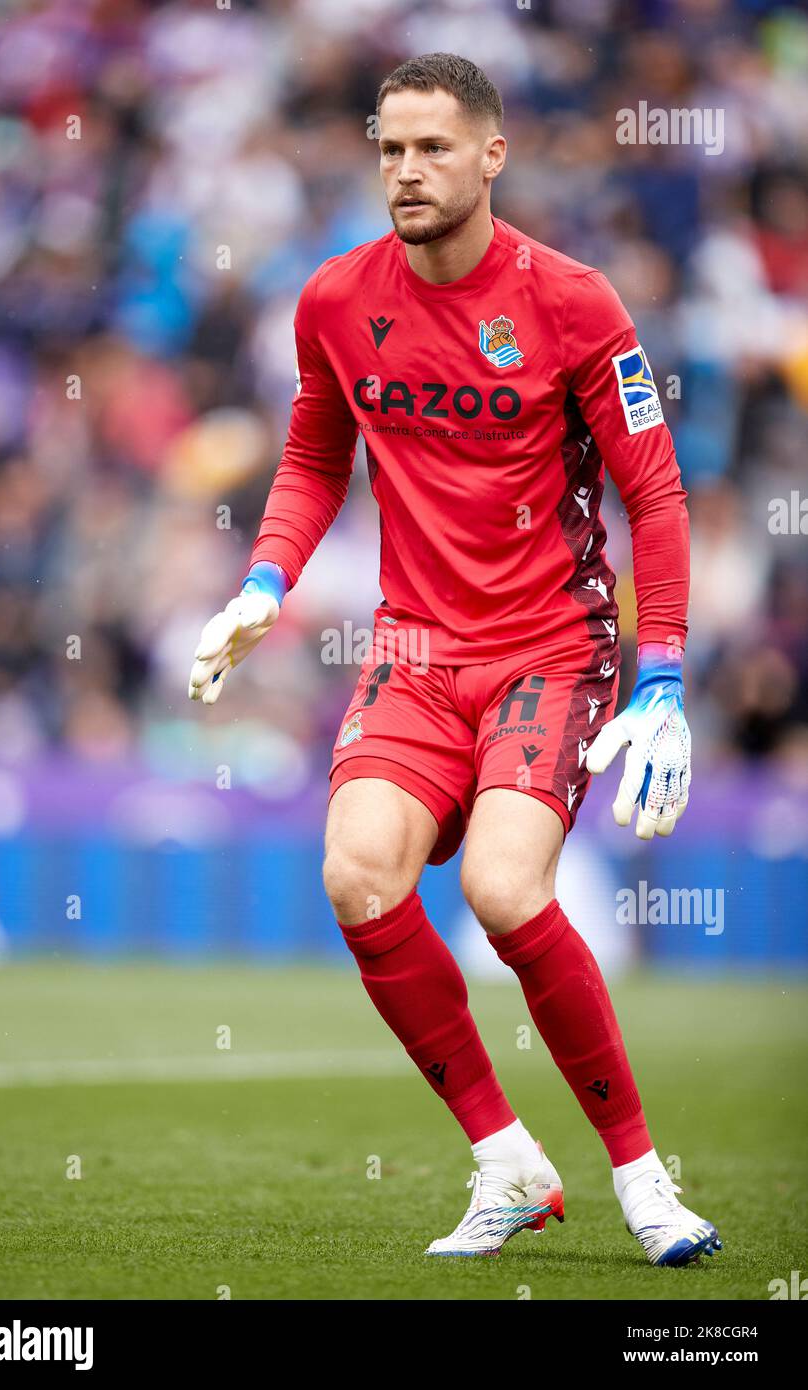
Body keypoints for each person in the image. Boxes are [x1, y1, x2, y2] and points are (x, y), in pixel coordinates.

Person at [188, 52, 720, 1266]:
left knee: (499, 889)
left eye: (432, 147)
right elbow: (315, 456)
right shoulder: (332, 300)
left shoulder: (575, 303)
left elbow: (656, 493)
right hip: (414, 653)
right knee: (358, 876)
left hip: (550, 645)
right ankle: (506, 1161)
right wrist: (264, 580)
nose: (406, 170)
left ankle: (641, 1178)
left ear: (491, 154)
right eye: (388, 148)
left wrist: (664, 674)